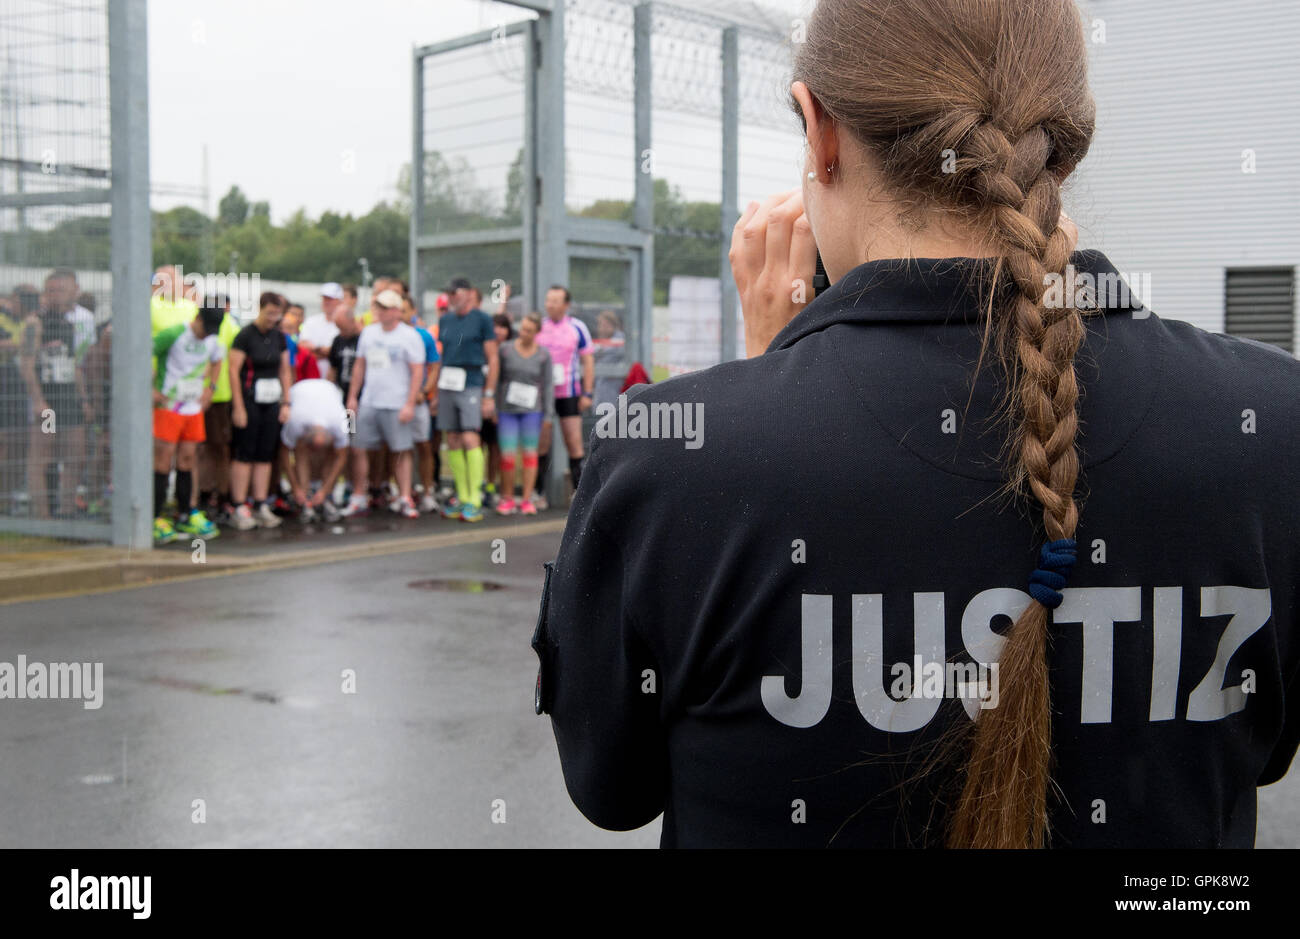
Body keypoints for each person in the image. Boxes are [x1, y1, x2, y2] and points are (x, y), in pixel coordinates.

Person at [533, 0, 1300, 849]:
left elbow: (611, 784)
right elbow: (1255, 752)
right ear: (1065, 143)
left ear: (819, 132)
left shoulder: (669, 454)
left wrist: (765, 374)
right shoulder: (1274, 425)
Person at [346, 288, 425, 519]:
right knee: (359, 448)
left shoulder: (410, 336)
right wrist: (353, 396)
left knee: (401, 451)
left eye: (382, 308)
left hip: (397, 402)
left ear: (395, 311)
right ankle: (359, 495)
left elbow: (417, 371)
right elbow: (359, 366)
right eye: (377, 307)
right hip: (370, 400)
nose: (378, 312)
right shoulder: (369, 333)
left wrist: (410, 403)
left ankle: (405, 497)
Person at [19, 273, 92, 518]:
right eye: (51, 290)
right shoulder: (35, 323)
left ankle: (67, 510)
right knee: (44, 456)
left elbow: (75, 365)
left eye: (61, 290)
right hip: (47, 402)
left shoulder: (69, 324)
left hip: (69, 400)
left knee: (75, 454)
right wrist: (39, 400)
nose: (56, 295)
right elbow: (27, 364)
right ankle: (42, 517)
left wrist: (83, 399)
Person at [151, 305, 225, 544]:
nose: (207, 335)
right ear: (197, 319)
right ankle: (154, 516)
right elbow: (143, 353)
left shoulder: (213, 339)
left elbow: (217, 360)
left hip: (192, 407)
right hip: (168, 406)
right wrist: (150, 388)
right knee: (163, 461)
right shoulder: (173, 334)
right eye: (205, 328)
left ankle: (185, 513)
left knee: (187, 459)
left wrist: (210, 389)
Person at [436, 277, 499, 523]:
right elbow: (444, 355)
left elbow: (492, 358)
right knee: (451, 438)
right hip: (448, 382)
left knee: (470, 436)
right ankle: (462, 496)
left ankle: (475, 498)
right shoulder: (445, 320)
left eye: (456, 292)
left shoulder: (482, 319)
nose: (452, 297)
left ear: (470, 293)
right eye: (449, 293)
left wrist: (489, 395)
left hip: (471, 382)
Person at [228, 292, 292, 530]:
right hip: (249, 400)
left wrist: (286, 402)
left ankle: (261, 503)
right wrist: (238, 406)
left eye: (277, 314)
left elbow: (285, 370)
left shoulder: (279, 337)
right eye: (269, 313)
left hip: (271, 401)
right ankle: (238, 504)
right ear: (260, 309)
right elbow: (233, 370)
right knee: (245, 453)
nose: (272, 319)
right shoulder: (245, 335)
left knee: (265, 454)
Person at [535, 285, 593, 502]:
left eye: (555, 301)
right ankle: (538, 493)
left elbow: (588, 361)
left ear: (566, 305)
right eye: (548, 300)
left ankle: (579, 494)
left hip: (569, 392)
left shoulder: (577, 327)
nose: (550, 305)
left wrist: (587, 392)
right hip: (543, 396)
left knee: (574, 442)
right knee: (542, 442)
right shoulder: (540, 327)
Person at [496, 313, 552, 516]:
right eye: (522, 328)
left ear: (537, 333)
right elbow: (497, 379)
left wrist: (548, 415)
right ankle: (507, 497)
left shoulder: (543, 355)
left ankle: (527, 499)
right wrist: (495, 407)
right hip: (507, 411)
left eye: (529, 330)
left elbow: (547, 386)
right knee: (508, 456)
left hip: (532, 411)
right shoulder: (505, 350)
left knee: (530, 455)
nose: (524, 333)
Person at [280, 378, 349, 523]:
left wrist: (325, 489)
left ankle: (325, 496)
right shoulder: (295, 421)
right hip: (298, 392)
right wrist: (296, 487)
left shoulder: (341, 421)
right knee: (300, 451)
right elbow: (284, 452)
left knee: (334, 453)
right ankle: (304, 496)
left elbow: (342, 457)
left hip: (330, 390)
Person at [198, 294, 241, 521]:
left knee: (220, 448)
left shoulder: (231, 327)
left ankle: (223, 496)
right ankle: (201, 495)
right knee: (199, 449)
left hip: (220, 397)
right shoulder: (199, 324)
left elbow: (234, 364)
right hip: (194, 397)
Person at [402, 296, 442, 513]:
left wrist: (426, 391)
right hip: (396, 402)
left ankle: (428, 491)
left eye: (405, 310)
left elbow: (434, 366)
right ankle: (404, 493)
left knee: (424, 446)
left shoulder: (423, 335)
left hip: (418, 401)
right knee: (400, 448)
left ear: (413, 311)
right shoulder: (391, 335)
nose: (401, 314)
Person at [299, 283, 343, 378]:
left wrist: (315, 350)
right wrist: (325, 352)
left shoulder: (343, 324)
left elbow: (339, 352)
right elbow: (302, 346)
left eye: (330, 299)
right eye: (324, 299)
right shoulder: (311, 321)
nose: (326, 302)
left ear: (339, 301)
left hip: (334, 379)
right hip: (310, 377)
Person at [592, 310, 626, 414]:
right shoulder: (603, 342)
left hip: (613, 394)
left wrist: (597, 350)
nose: (601, 329)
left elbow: (601, 352)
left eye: (605, 325)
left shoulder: (619, 340)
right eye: (600, 325)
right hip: (601, 394)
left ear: (613, 326)